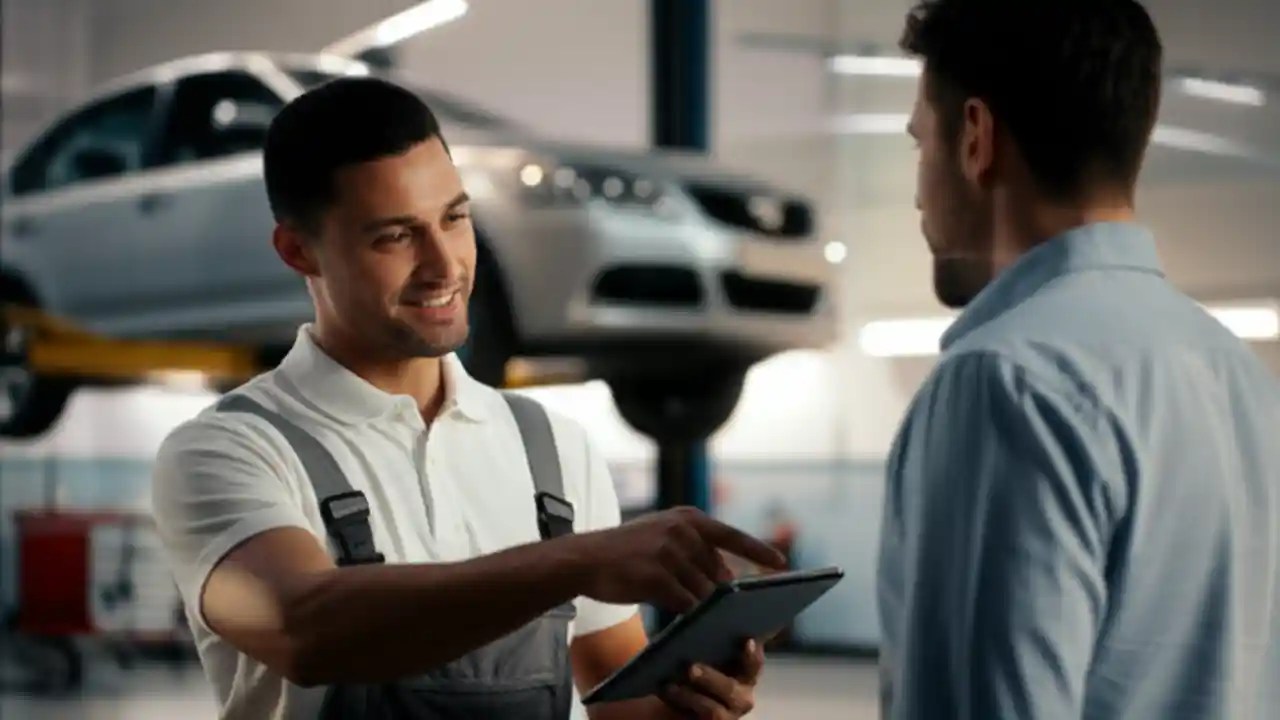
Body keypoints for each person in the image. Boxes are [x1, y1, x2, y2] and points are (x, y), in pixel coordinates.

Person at [150, 76, 787, 720]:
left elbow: (618, 704)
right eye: (395, 237)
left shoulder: (553, 450)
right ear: (298, 250)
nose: (445, 265)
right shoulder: (226, 451)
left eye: (455, 218)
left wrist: (693, 700)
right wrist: (576, 562)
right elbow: (303, 628)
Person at [876, 1, 1280, 719]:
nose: (917, 192)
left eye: (920, 145)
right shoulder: (1241, 379)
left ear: (975, 138)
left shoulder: (1003, 381)